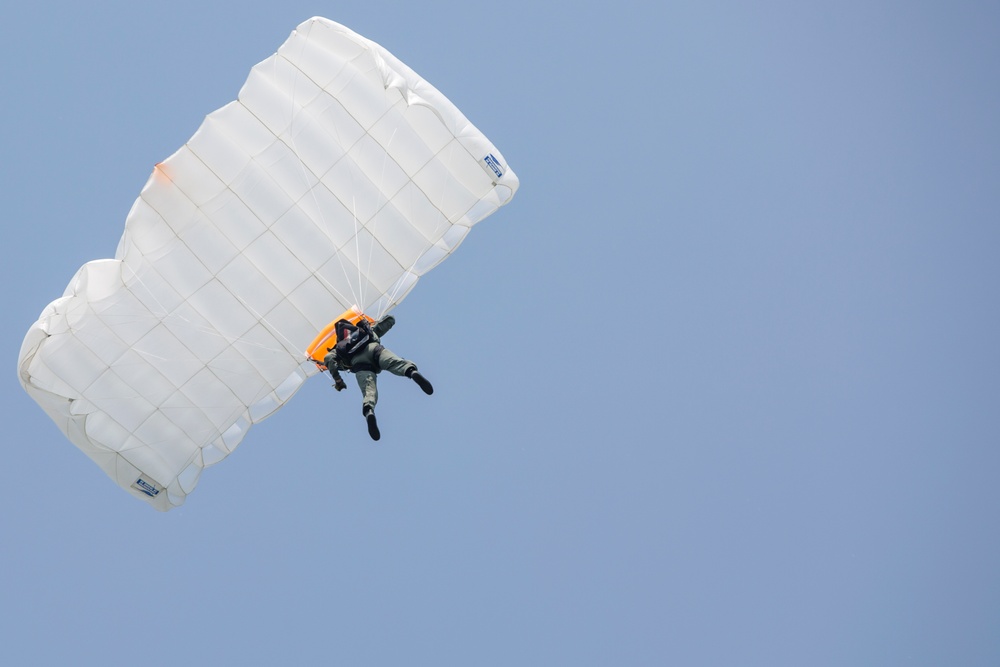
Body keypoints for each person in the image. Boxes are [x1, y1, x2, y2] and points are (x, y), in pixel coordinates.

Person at [322, 315, 433, 441]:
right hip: (375, 350)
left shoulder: (338, 349)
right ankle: (411, 372)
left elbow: (328, 359)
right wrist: (370, 322)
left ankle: (369, 410)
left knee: (369, 391)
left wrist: (338, 380)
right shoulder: (363, 331)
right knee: (396, 363)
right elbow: (390, 320)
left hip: (361, 365)